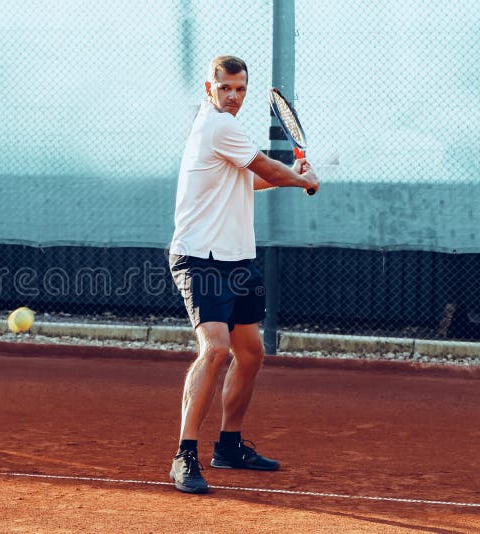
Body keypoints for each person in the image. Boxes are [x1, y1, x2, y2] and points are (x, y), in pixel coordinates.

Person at [167, 55, 319, 494]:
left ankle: (229, 447)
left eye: (240, 90)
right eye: (225, 88)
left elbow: (249, 180)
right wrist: (301, 180)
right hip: (201, 258)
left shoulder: (225, 131)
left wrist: (294, 177)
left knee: (250, 352)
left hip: (237, 259)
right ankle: (184, 455)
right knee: (215, 350)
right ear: (208, 88)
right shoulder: (218, 125)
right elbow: (268, 169)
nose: (233, 96)